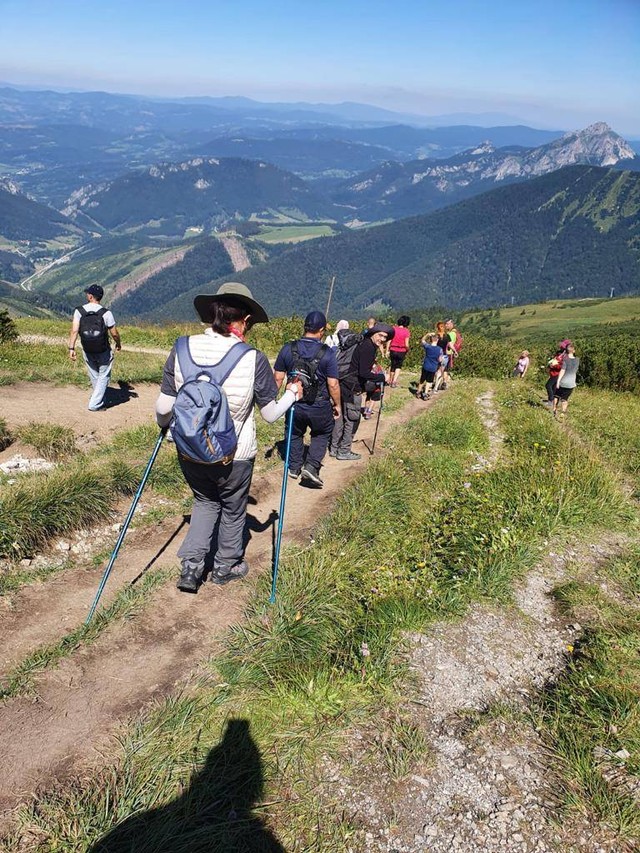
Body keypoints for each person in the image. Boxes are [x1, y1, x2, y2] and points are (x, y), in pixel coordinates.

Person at [155, 282, 301, 593]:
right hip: (235, 454)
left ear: (213, 313)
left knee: (204, 501)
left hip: (190, 450)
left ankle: (191, 568)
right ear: (245, 319)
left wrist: (165, 428)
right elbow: (270, 414)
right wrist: (291, 394)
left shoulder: (181, 348)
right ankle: (226, 566)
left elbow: (164, 407)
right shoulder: (252, 357)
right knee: (233, 510)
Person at [273, 311, 341, 488]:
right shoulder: (327, 353)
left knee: (294, 432)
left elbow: (278, 378)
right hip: (319, 404)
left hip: (294, 401)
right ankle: (311, 466)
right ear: (321, 330)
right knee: (321, 433)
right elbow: (333, 384)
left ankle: (294, 467)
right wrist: (337, 405)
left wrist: (272, 402)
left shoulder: (288, 348)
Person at [329, 322, 393, 459]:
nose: (382, 339)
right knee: (352, 419)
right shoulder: (368, 347)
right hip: (353, 388)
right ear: (373, 333)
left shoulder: (362, 342)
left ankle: (334, 448)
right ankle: (344, 451)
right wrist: (382, 377)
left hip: (342, 383)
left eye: (385, 337)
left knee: (340, 416)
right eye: (380, 335)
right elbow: (363, 373)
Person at [68, 284, 121, 411]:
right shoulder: (106, 313)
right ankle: (95, 404)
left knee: (94, 374)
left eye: (88, 293)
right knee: (104, 375)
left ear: (91, 296)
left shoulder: (79, 311)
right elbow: (114, 333)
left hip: (87, 348)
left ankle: (98, 399)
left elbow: (74, 331)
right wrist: (118, 343)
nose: (86, 295)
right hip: (103, 349)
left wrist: (71, 348)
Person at [553, 342, 579, 420]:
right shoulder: (577, 360)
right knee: (565, 399)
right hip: (571, 383)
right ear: (574, 351)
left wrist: (558, 381)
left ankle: (554, 409)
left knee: (556, 396)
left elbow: (562, 371)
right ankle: (563, 413)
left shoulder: (565, 360)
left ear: (566, 351)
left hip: (563, 382)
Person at [386, 315, 411, 388]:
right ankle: (394, 381)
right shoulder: (406, 331)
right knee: (398, 366)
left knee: (393, 365)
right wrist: (408, 350)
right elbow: (406, 344)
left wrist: (387, 350)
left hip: (393, 349)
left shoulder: (393, 329)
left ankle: (390, 380)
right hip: (402, 350)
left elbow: (389, 340)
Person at [417, 333, 443, 399]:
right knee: (429, 381)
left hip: (426, 366)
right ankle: (425, 394)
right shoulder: (440, 349)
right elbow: (440, 360)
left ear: (431, 339)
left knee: (422, 379)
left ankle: (418, 392)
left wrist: (427, 334)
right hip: (433, 367)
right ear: (437, 340)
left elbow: (422, 340)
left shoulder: (428, 346)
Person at [545, 340, 568, 404]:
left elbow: (562, 366)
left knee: (548, 385)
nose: (560, 347)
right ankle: (553, 401)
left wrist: (554, 366)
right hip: (554, 372)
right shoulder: (560, 353)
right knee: (553, 387)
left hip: (557, 373)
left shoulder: (565, 356)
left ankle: (551, 400)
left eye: (562, 346)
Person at [434, 321, 452, 391]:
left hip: (436, 354)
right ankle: (443, 383)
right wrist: (455, 351)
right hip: (444, 355)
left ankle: (435, 385)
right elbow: (450, 345)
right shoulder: (447, 336)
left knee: (437, 370)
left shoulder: (435, 335)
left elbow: (433, 345)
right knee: (444, 370)